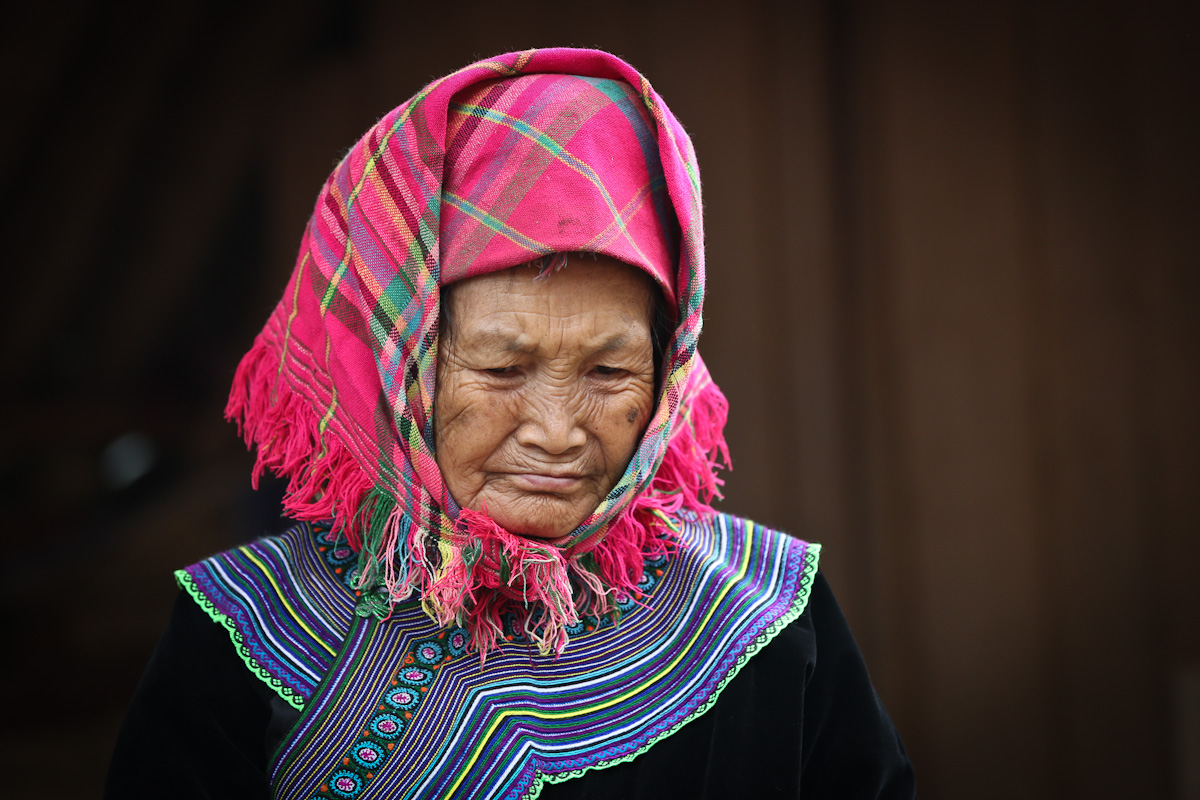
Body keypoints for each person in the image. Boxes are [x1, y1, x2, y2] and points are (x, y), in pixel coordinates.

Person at [106, 48, 916, 799]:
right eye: (500, 371)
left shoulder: (771, 612)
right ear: (396, 372)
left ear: (668, 371)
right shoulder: (241, 631)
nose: (558, 433)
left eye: (608, 371)